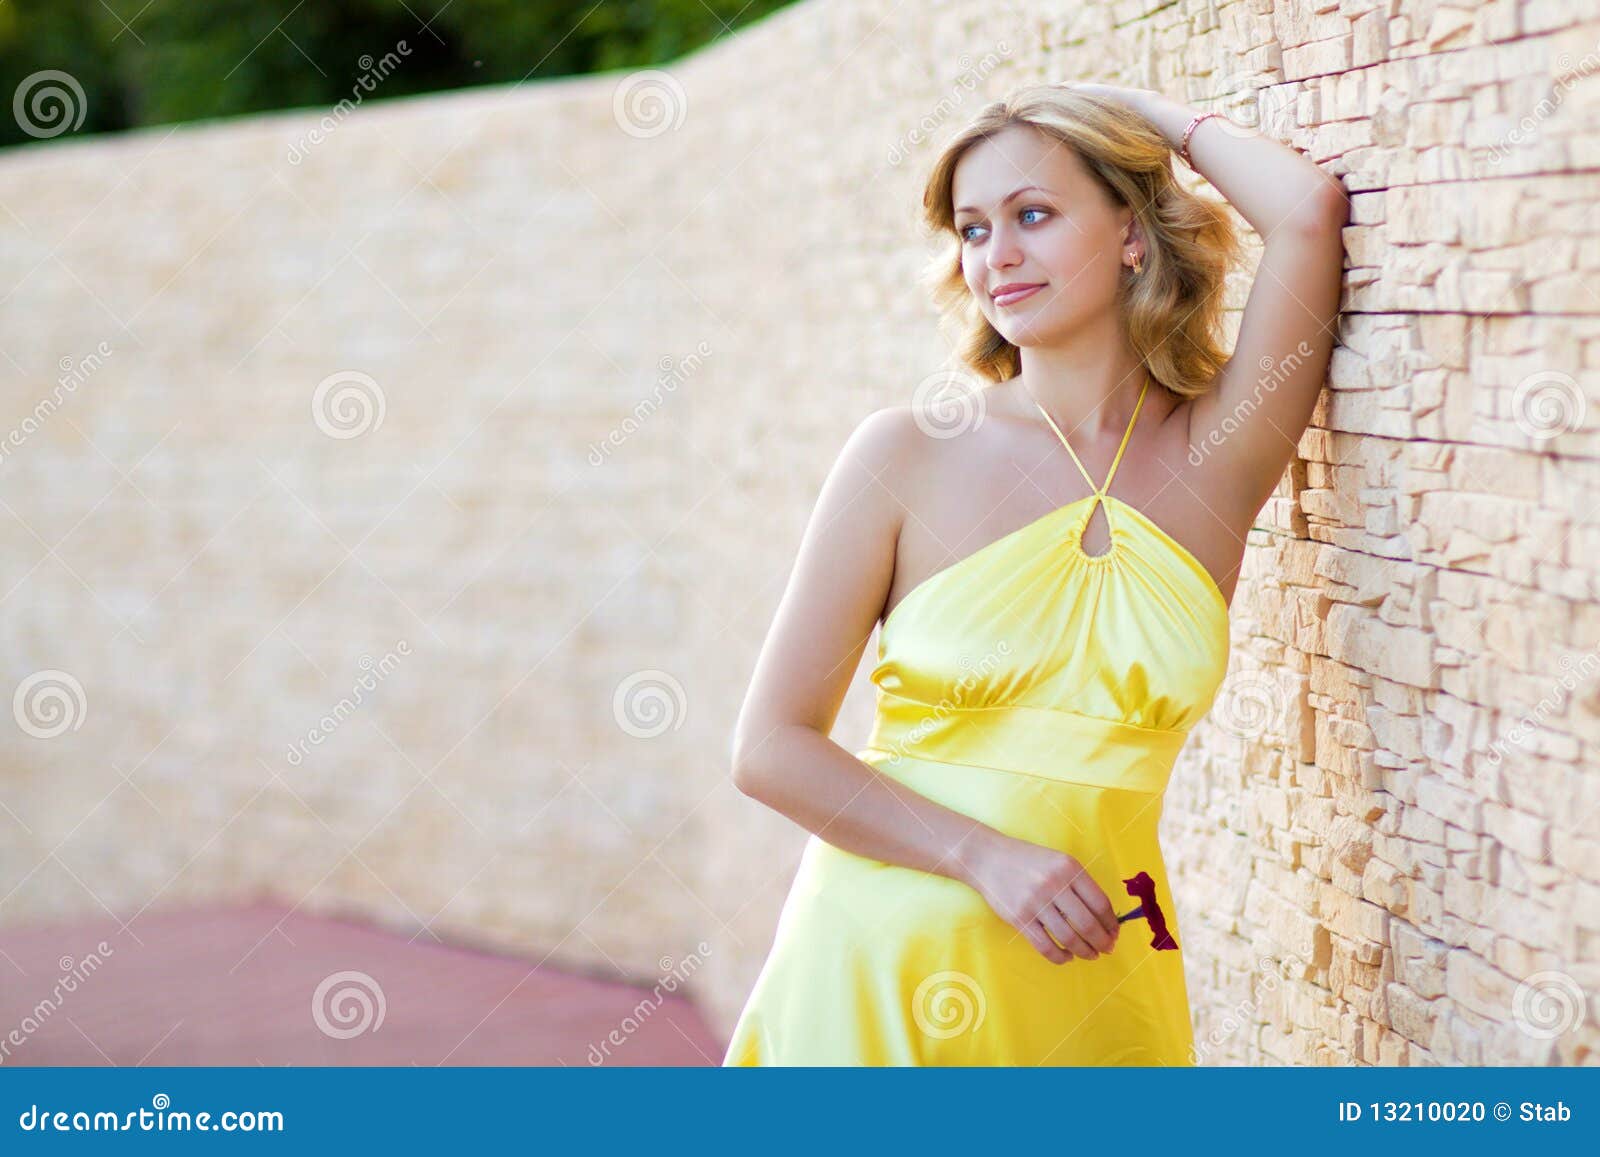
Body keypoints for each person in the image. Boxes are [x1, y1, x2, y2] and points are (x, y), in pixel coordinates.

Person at [723, 82, 1348, 1065]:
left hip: (1095, 979)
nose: (995, 256)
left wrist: (1130, 111)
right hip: (879, 969)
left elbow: (1306, 210)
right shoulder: (904, 454)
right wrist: (984, 857)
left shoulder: (1214, 458)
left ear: (1132, 235)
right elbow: (768, 746)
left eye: (1033, 214)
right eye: (972, 229)